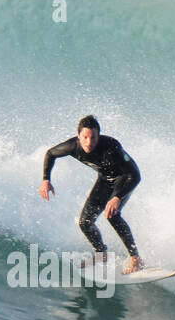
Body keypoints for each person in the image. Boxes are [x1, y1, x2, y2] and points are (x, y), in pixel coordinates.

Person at [38, 115, 145, 274]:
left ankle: (136, 259)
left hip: (124, 179)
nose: (89, 142)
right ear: (79, 136)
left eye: (93, 137)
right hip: (104, 180)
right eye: (85, 137)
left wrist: (117, 197)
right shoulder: (72, 146)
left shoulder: (112, 147)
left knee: (112, 215)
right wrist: (46, 180)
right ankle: (101, 254)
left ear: (98, 135)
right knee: (85, 222)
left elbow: (135, 175)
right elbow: (50, 154)